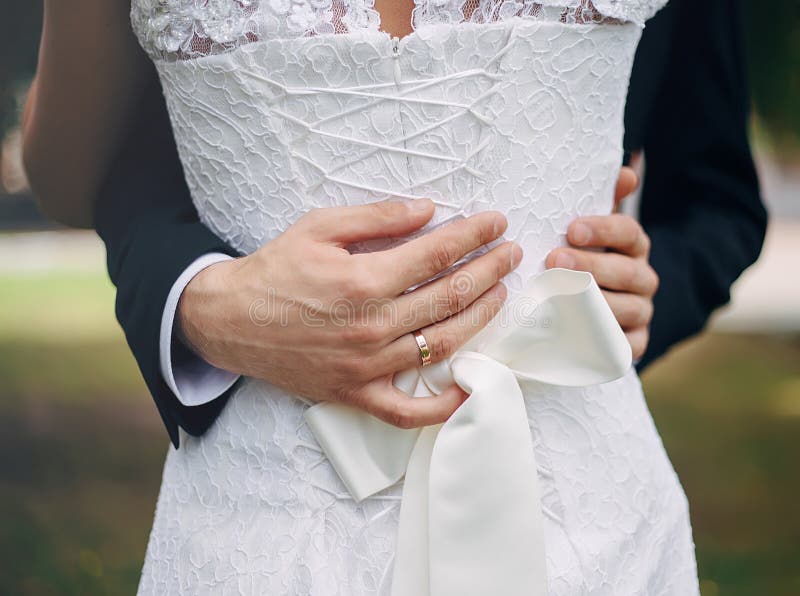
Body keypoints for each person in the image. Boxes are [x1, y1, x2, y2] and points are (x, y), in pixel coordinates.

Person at [22, 0, 766, 593]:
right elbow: (78, 174)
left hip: (591, 521)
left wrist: (642, 293)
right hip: (261, 522)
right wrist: (200, 303)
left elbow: (715, 195)